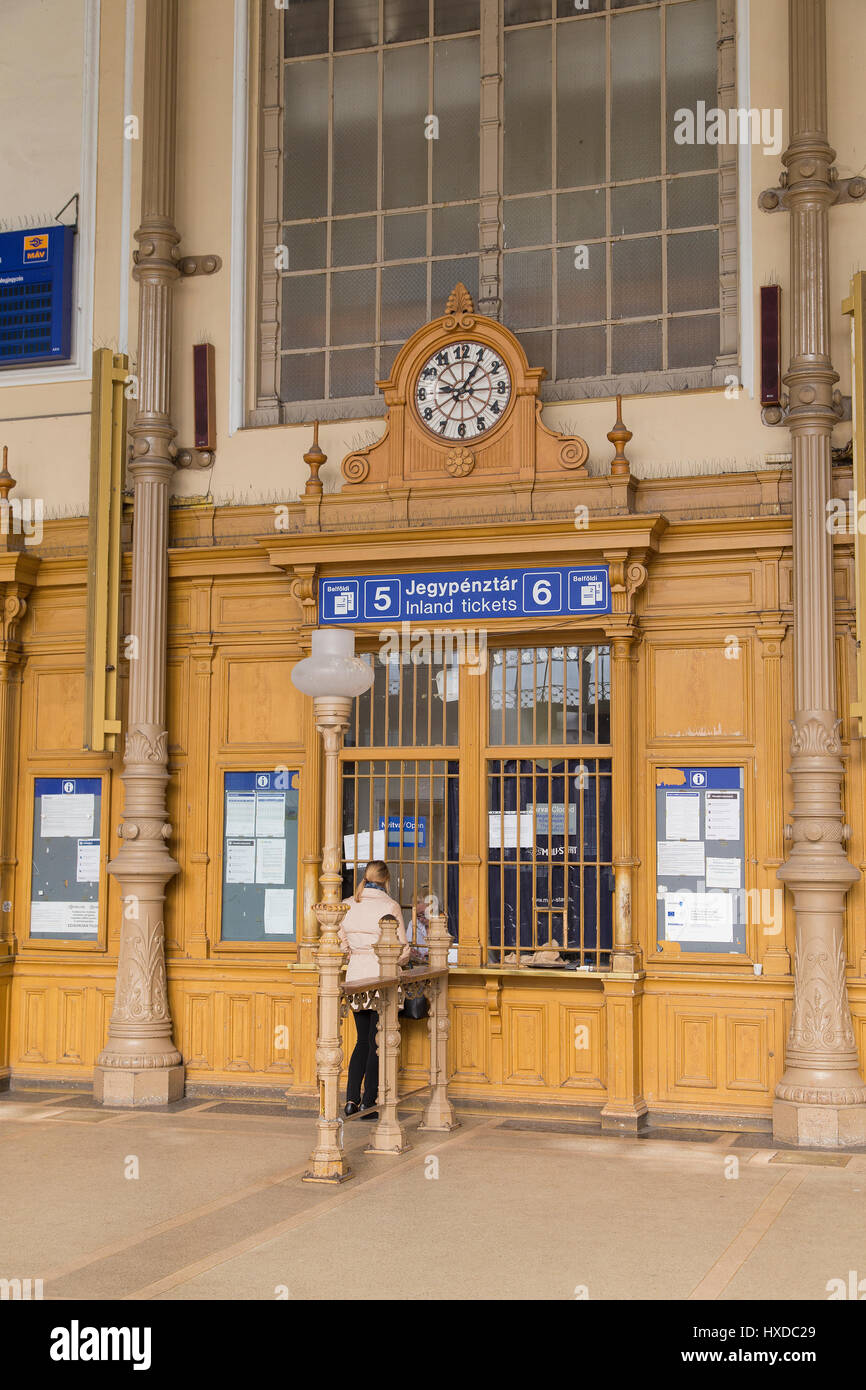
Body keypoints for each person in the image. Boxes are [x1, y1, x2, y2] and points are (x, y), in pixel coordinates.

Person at [339, 860, 410, 1119]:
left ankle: (350, 1100)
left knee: (361, 1041)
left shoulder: (347, 904)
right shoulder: (389, 906)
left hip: (356, 976)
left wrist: (357, 956)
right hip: (382, 978)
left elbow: (343, 947)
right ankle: (369, 1102)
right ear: (386, 880)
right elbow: (402, 949)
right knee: (376, 1041)